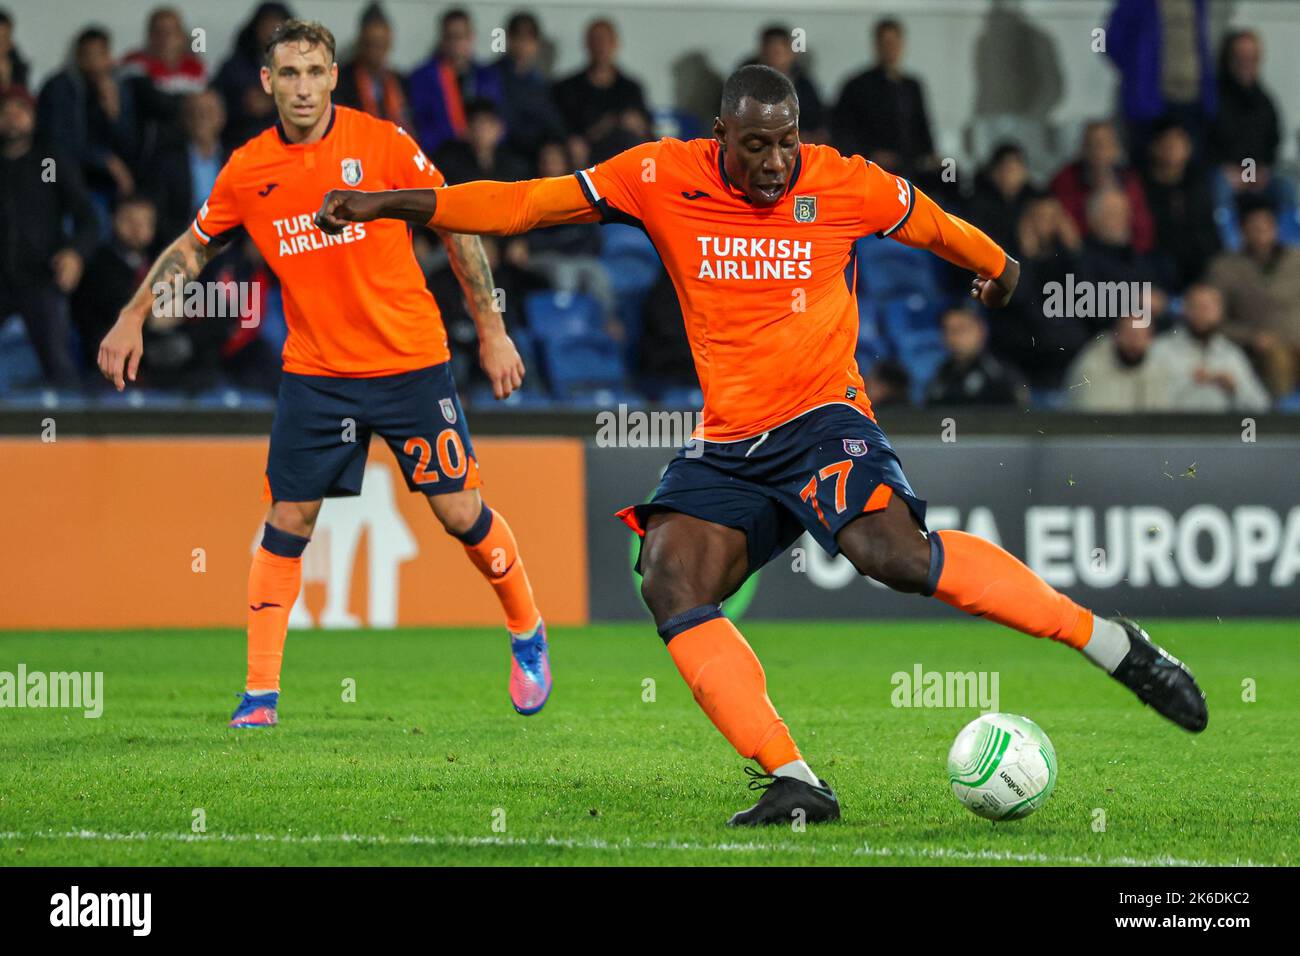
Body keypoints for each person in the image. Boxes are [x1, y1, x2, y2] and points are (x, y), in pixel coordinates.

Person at [317, 63, 1208, 825]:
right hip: (731, 441)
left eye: (786, 142)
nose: (776, 162)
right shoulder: (658, 176)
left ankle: (1113, 646)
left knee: (893, 556)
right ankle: (794, 781)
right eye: (756, 146)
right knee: (669, 575)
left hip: (824, 414)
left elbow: (927, 218)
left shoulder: (841, 180)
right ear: (719, 137)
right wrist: (391, 203)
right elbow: (523, 204)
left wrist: (998, 267)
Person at [96, 19, 552, 728]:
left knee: (460, 513)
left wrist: (492, 331)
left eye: (315, 72)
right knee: (287, 518)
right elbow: (195, 247)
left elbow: (455, 225)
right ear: (267, 82)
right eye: (289, 73)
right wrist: (132, 314)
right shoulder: (248, 169)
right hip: (317, 374)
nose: (303, 87)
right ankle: (259, 697)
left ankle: (526, 631)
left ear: (334, 76)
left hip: (410, 363)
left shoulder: (382, 144)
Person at [0, 87, 98, 388]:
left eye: (22, 110)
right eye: (6, 111)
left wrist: (75, 254)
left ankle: (66, 431)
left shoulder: (49, 162)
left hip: (40, 277)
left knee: (59, 366)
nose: (14, 118)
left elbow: (88, 218)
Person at [36, 26, 140, 212]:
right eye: (87, 55)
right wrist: (104, 160)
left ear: (109, 57)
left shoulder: (119, 88)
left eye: (99, 54)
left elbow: (130, 146)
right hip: (67, 176)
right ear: (78, 57)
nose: (93, 62)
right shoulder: (59, 87)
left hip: (109, 181)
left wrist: (115, 115)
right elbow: (59, 143)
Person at [1204, 202, 1300, 396]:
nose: (1261, 233)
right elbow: (1211, 320)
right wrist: (1251, 337)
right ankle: (1281, 423)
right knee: (1277, 358)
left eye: (1266, 226)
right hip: (1259, 348)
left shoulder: (1296, 260)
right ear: (1242, 230)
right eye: (1254, 227)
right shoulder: (1224, 268)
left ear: (1276, 228)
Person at [832, 18, 936, 180]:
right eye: (885, 43)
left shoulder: (913, 86)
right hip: (874, 165)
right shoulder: (857, 86)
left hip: (912, 163)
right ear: (876, 45)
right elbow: (843, 131)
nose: (890, 49)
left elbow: (923, 126)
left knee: (951, 176)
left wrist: (930, 155)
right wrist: (870, 154)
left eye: (894, 43)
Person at [1156, 283, 1270, 412]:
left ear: (1220, 312)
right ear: (1184, 310)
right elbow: (1147, 403)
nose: (1202, 314)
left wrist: (1233, 388)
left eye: (1208, 308)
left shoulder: (1231, 353)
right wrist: (1190, 382)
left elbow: (1261, 406)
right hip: (1173, 428)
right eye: (1196, 307)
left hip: (1221, 429)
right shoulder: (1162, 350)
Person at [551, 19, 651, 162]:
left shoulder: (631, 89)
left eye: (606, 41)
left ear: (615, 44)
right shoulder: (567, 88)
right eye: (596, 41)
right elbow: (557, 126)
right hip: (585, 155)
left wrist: (639, 125)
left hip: (622, 154)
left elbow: (648, 130)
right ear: (587, 44)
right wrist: (571, 140)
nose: (601, 47)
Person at [408, 8, 502, 155]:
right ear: (442, 39)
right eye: (450, 37)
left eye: (461, 36)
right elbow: (420, 124)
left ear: (471, 37)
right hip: (440, 155)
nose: (456, 43)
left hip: (481, 156)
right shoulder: (423, 77)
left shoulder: (487, 76)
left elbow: (499, 121)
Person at [213, 2, 292, 153]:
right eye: (266, 25)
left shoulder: (304, 67)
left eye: (277, 26)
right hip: (241, 146)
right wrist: (243, 105)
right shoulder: (234, 66)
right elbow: (215, 104)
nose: (271, 31)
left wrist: (274, 102)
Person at [492, 11, 565, 170]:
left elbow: (551, 123)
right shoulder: (492, 76)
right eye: (518, 37)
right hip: (502, 152)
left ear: (537, 44)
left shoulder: (542, 83)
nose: (522, 44)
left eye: (529, 38)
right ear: (508, 39)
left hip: (536, 153)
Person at [1063, 312, 1175, 412]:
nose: (1134, 341)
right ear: (1115, 335)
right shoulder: (1091, 366)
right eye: (1128, 333)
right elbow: (1092, 421)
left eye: (1141, 335)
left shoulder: (1161, 364)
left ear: (1151, 338)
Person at [924, 306, 1026, 407]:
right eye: (948, 329)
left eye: (962, 329)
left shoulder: (998, 375)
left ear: (981, 331)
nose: (954, 336)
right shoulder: (940, 375)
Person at [334, 2, 409, 127]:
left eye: (381, 44)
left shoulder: (401, 82)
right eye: (371, 44)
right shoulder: (342, 81)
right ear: (361, 42)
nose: (376, 52)